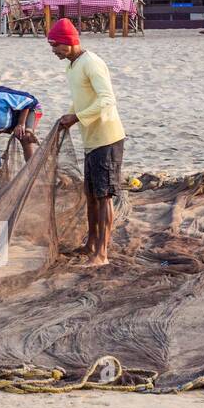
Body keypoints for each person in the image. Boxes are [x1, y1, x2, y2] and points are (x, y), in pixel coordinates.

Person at [47, 19, 125, 268]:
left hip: (107, 138)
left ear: (69, 43)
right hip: (91, 140)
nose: (53, 50)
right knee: (90, 195)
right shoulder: (72, 67)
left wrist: (77, 117)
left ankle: (101, 254)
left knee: (104, 197)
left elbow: (107, 100)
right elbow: (81, 100)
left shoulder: (91, 63)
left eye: (56, 45)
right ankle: (91, 244)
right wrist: (69, 117)